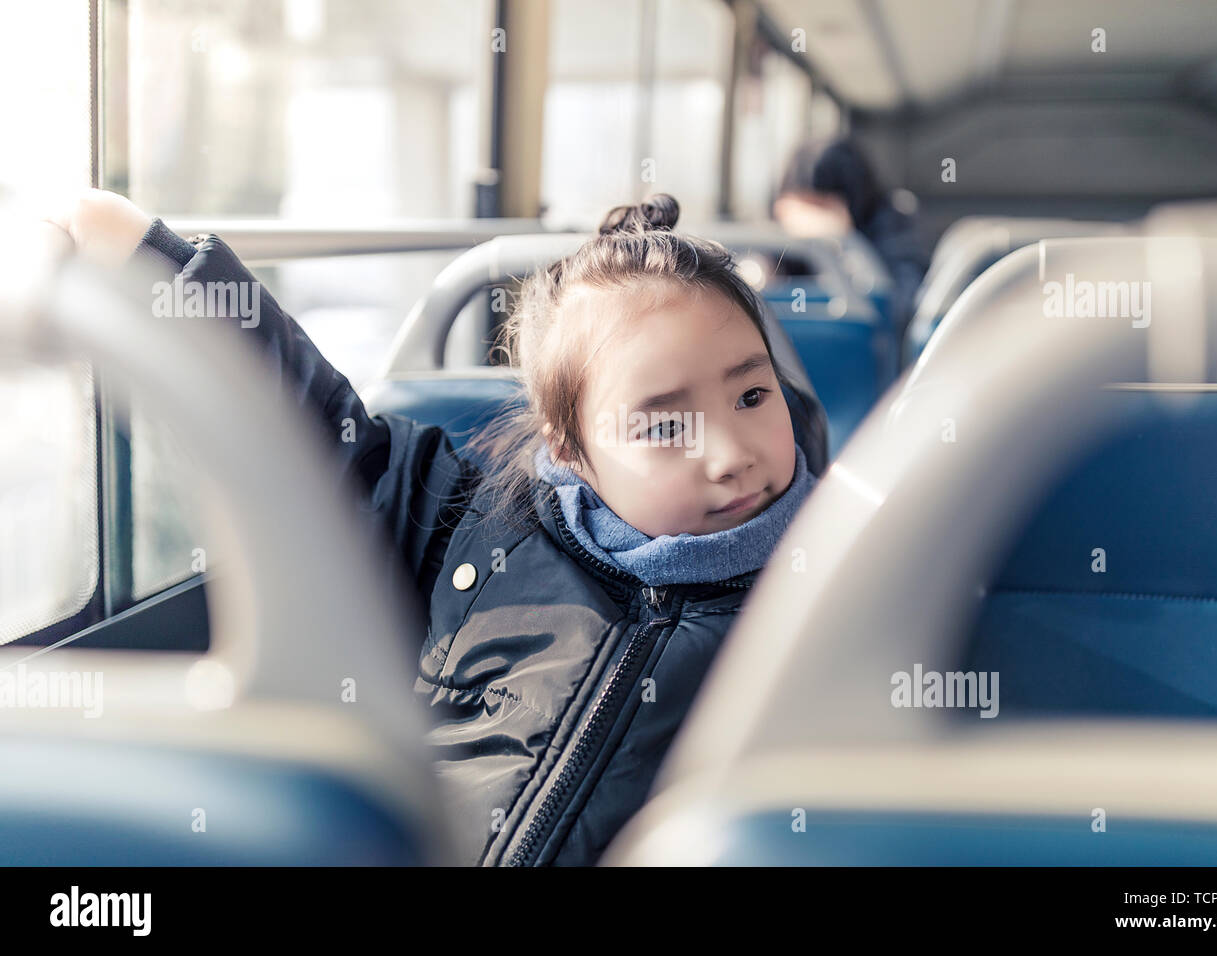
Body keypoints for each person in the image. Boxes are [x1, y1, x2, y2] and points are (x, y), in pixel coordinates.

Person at [44, 189, 820, 866]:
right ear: (571, 448)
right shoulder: (479, 529)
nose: (729, 456)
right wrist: (141, 251)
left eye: (752, 398)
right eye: (664, 427)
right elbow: (311, 430)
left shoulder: (833, 586)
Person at [773, 136, 929, 331]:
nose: (808, 220)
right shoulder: (775, 237)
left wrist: (841, 242)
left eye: (821, 206)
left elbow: (900, 310)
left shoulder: (891, 222)